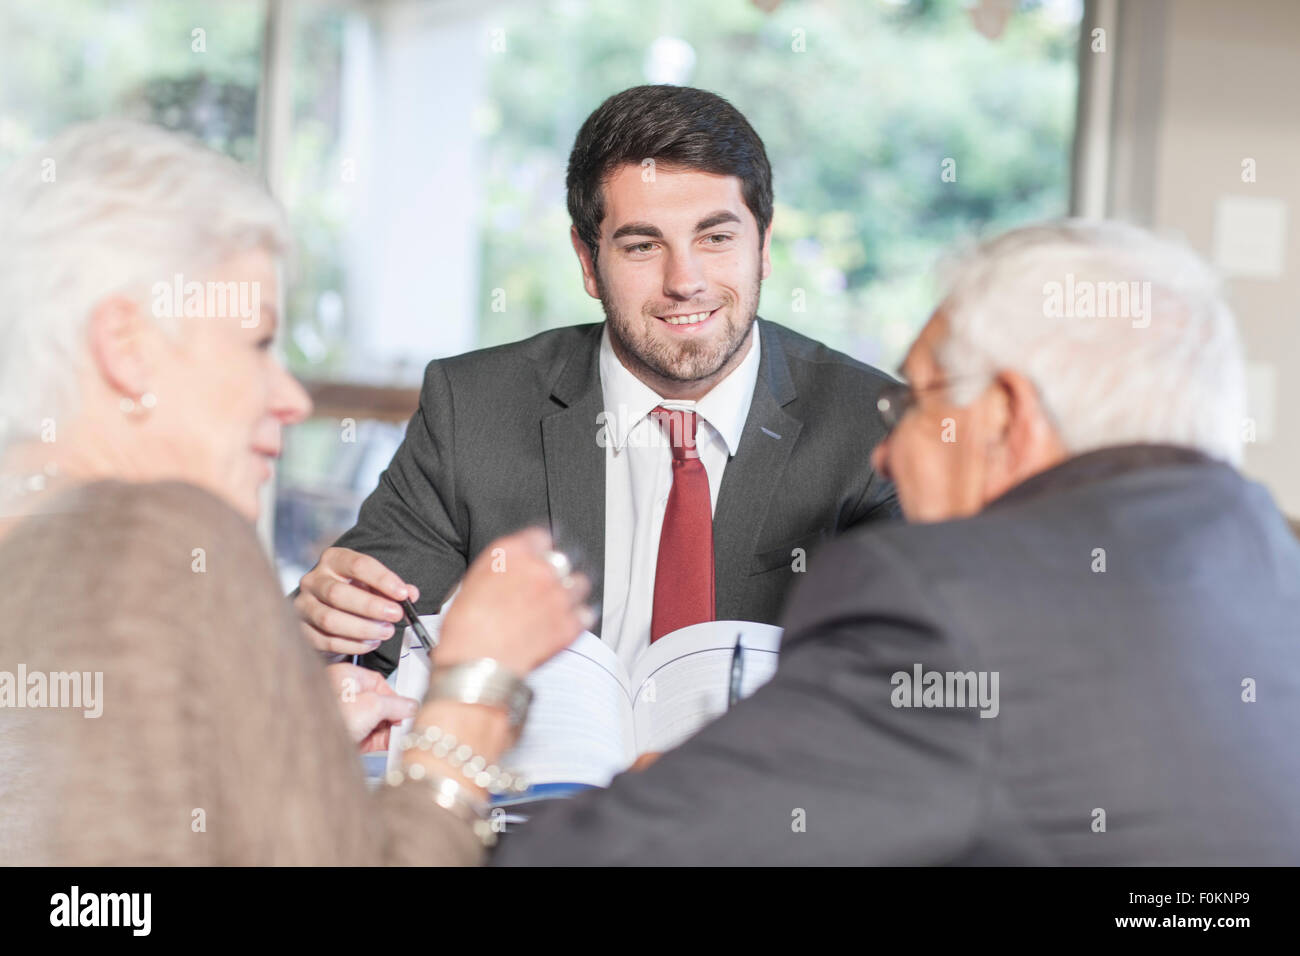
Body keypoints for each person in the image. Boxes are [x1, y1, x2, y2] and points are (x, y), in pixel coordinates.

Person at [492, 220, 1300, 865]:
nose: (885, 451)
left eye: (911, 404)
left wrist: (456, 738)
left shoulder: (945, 601)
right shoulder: (1271, 553)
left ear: (1006, 418)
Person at [0, 120, 591, 864]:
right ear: (128, 346)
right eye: (257, 343)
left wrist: (279, 748)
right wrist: (474, 690)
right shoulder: (162, 534)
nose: (291, 398)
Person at [294, 85, 900, 677]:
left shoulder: (873, 427)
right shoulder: (471, 408)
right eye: (642, 245)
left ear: (763, 247)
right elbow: (370, 640)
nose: (684, 281)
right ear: (589, 263)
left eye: (716, 238)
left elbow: (911, 671)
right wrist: (327, 623)